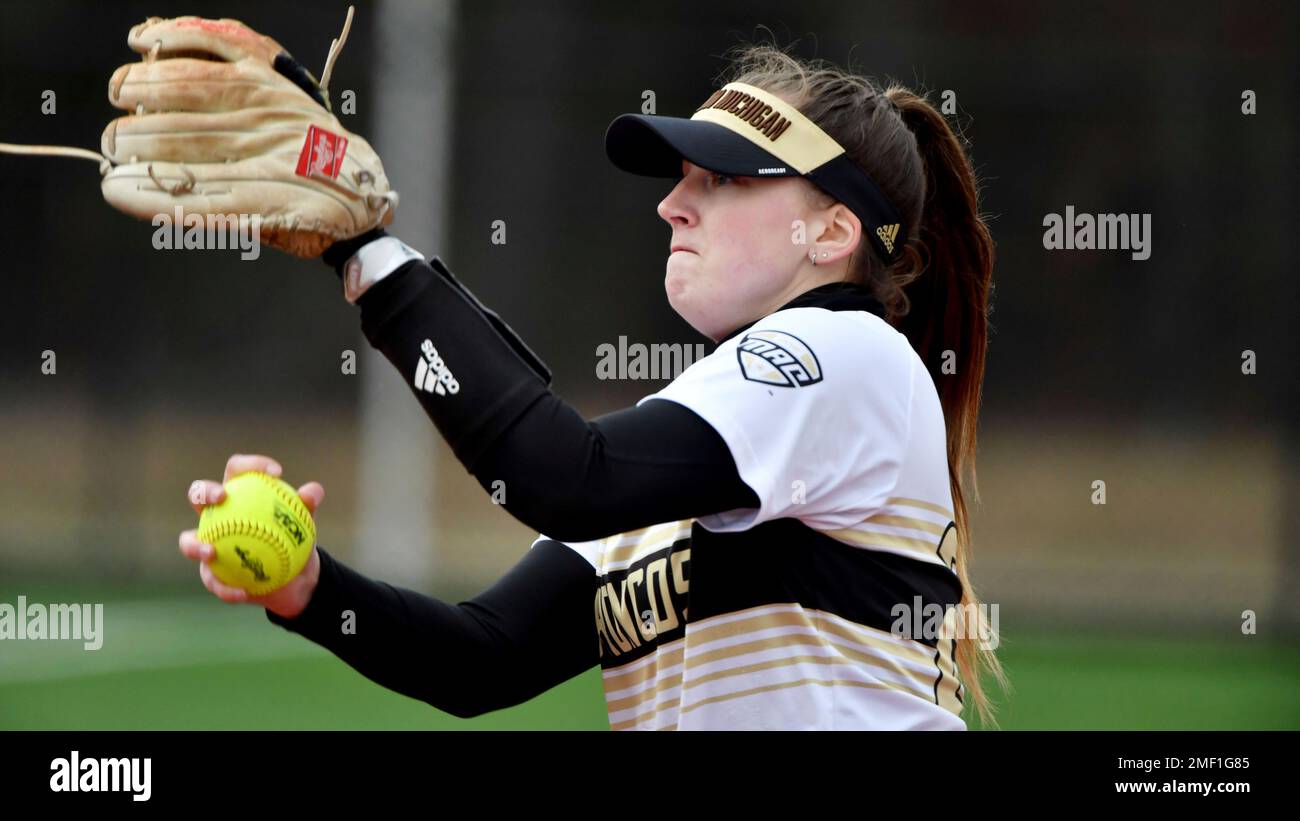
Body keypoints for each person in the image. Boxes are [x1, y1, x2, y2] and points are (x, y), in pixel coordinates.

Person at [179, 44, 1002, 730]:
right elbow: (483, 655)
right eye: (682, 176)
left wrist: (370, 257)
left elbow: (563, 473)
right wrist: (310, 589)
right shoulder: (699, 443)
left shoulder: (852, 353)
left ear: (832, 230)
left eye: (723, 179)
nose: (673, 204)